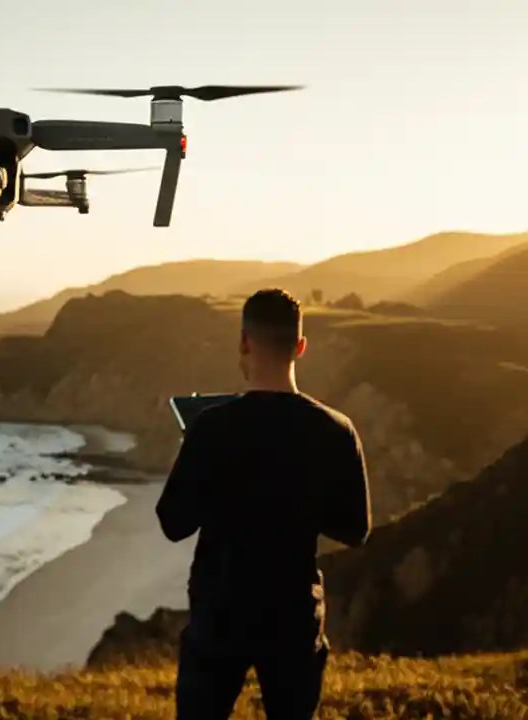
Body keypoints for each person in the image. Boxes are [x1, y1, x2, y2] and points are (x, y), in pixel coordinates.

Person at [156, 288, 372, 720]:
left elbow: (174, 522)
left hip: (220, 613)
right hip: (293, 615)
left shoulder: (211, 429)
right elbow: (355, 529)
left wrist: (196, 460)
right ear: (300, 347)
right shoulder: (337, 429)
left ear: (243, 342)